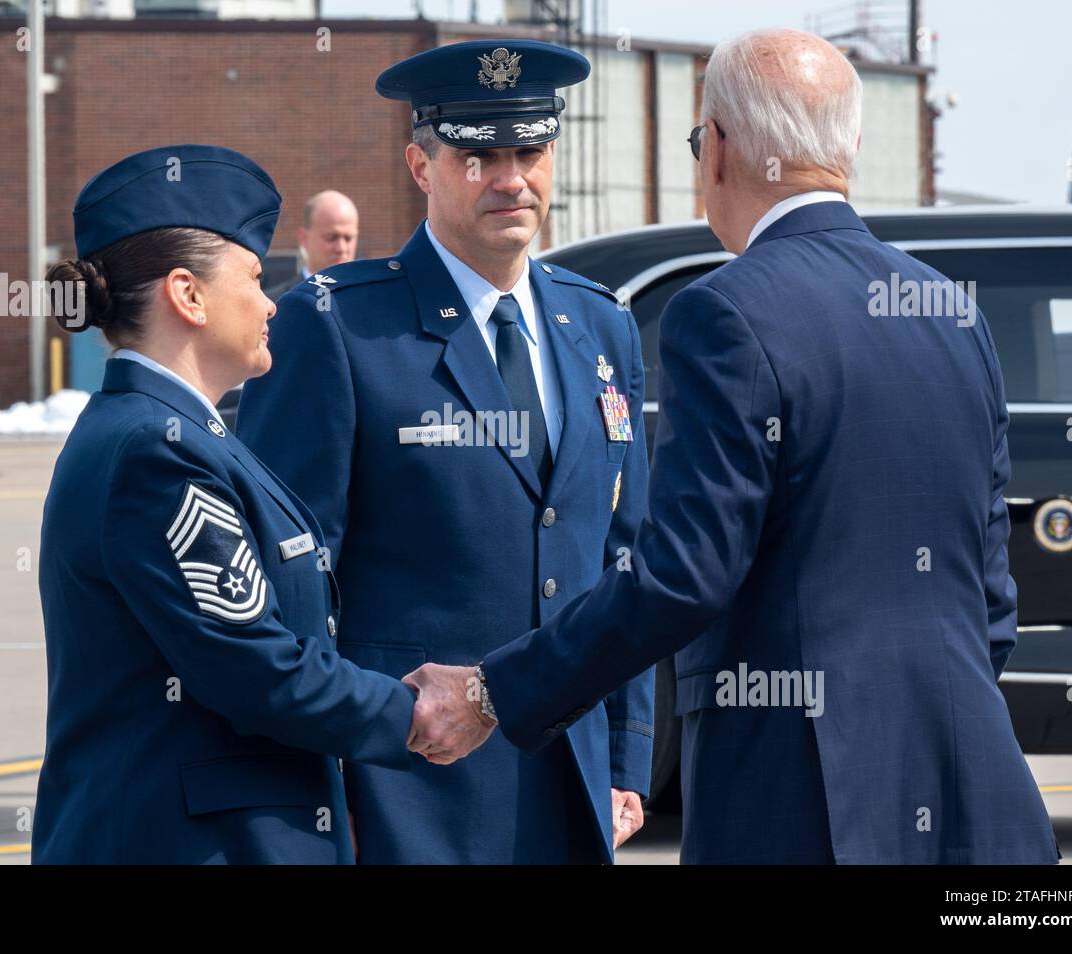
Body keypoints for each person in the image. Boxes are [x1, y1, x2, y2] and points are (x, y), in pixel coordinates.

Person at [406, 28, 1061, 865]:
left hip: (804, 800)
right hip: (979, 798)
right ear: (849, 146)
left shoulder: (726, 312)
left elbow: (683, 574)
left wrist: (493, 692)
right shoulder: (950, 312)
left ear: (717, 148)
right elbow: (990, 596)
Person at [236, 40, 654, 864]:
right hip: (407, 794)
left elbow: (623, 559)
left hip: (574, 783)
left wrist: (627, 755)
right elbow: (290, 581)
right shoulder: (338, 327)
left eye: (529, 151)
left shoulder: (599, 323)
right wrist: (318, 786)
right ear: (421, 166)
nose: (510, 179)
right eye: (477, 155)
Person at [32, 144, 417, 865]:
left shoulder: (178, 435)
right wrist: (415, 713)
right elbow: (256, 668)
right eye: (252, 274)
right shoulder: (158, 453)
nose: (272, 299)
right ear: (189, 295)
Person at [263, 191, 360, 300]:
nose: (341, 248)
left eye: (348, 238)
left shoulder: (371, 300)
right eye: (331, 238)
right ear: (304, 238)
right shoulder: (274, 304)